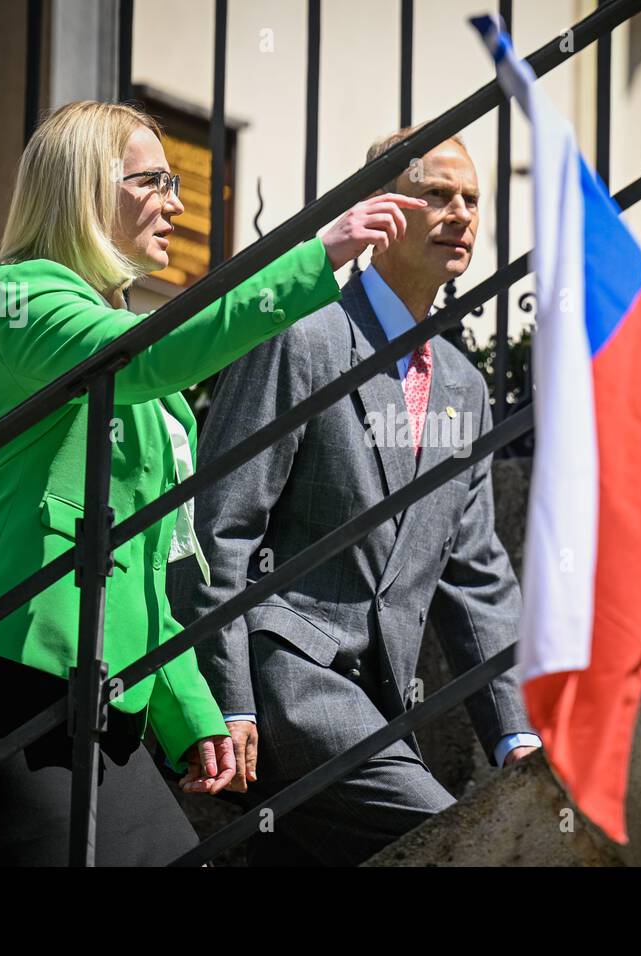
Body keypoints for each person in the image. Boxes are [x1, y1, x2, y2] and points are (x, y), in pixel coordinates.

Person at [0, 100, 421, 865]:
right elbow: (144, 355)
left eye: (174, 180)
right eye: (152, 180)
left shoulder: (140, 368)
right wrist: (312, 256)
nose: (176, 200)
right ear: (86, 190)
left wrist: (192, 711)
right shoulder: (21, 296)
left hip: (95, 690)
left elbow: (140, 569)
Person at [168, 126, 540, 866]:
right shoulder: (303, 335)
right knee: (453, 844)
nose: (461, 212)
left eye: (472, 198)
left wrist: (516, 734)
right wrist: (228, 701)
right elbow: (221, 529)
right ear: (379, 210)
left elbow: (475, 577)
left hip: (381, 707)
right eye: (437, 194)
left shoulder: (463, 384)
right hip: (286, 682)